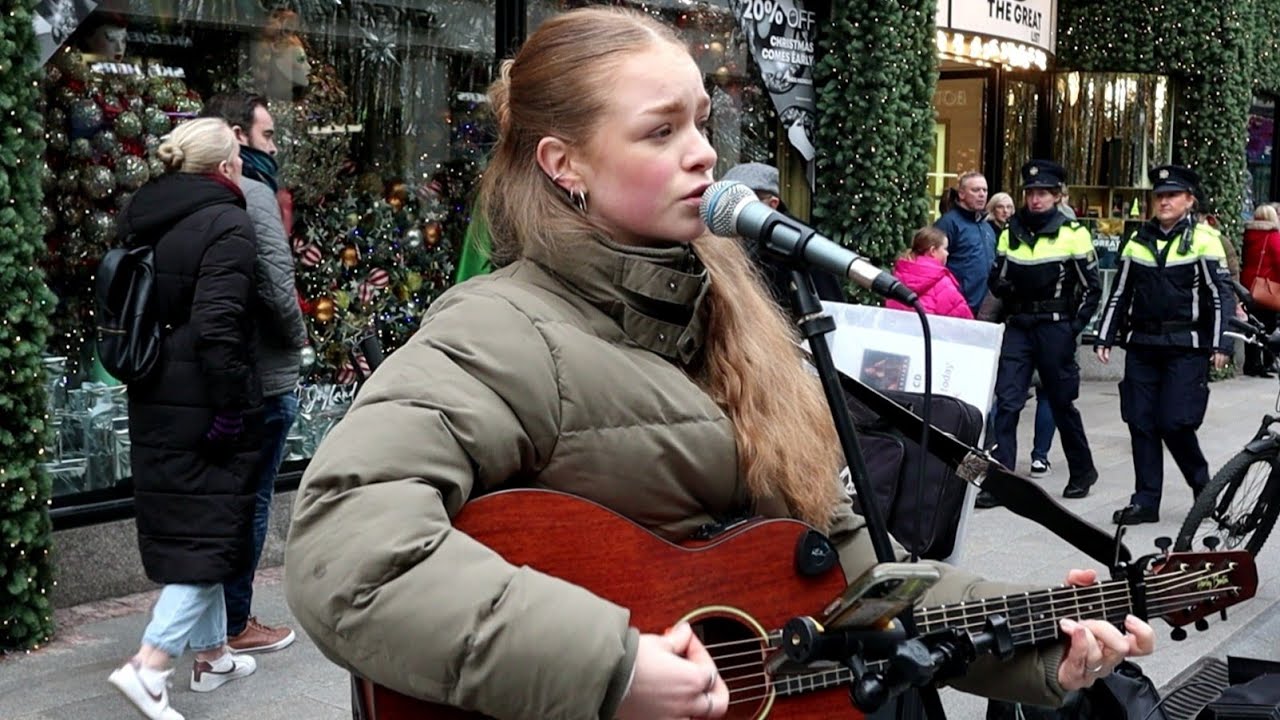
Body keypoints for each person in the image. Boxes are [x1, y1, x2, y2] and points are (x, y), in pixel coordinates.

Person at [283, 8, 1154, 719]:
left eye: (701, 120)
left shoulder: (743, 327)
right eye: (661, 131)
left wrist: (1043, 641)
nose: (703, 151)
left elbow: (858, 581)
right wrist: (611, 666)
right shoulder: (499, 332)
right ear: (565, 165)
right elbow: (349, 551)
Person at [106, 117, 261, 719]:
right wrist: (229, 408)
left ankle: (214, 654)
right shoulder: (228, 222)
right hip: (203, 399)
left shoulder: (144, 213)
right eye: (241, 158)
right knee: (211, 537)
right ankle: (150, 664)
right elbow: (220, 327)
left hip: (154, 391)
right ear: (224, 167)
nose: (244, 167)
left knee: (202, 526)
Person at [201, 91, 306, 654]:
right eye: (267, 136)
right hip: (262, 374)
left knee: (222, 500)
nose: (274, 146)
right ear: (238, 137)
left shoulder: (196, 193)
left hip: (215, 375)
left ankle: (212, 624)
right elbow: (274, 282)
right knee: (252, 499)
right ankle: (236, 623)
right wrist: (297, 340)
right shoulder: (254, 193)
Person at [1095, 165, 1235, 525]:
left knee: (1175, 422)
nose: (1164, 201)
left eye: (1172, 195)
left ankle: (1204, 489)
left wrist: (1221, 343)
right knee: (1141, 422)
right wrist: (1105, 335)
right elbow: (1121, 292)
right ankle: (1145, 501)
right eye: (1159, 196)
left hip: (1185, 345)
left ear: (1189, 200)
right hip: (1142, 343)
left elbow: (1219, 296)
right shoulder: (1137, 240)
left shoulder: (1204, 239)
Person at [980, 160, 1100, 509]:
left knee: (1062, 403)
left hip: (1054, 327)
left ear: (1057, 195)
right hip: (1019, 325)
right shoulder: (1010, 230)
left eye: (1043, 193)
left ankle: (1082, 471)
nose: (1035, 199)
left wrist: (1073, 328)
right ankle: (1002, 483)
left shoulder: (1072, 232)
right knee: (1007, 402)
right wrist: (1001, 286)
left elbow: (1092, 289)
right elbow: (995, 275)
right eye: (1031, 193)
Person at [720, 161, 845, 308]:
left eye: (744, 205)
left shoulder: (803, 244)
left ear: (772, 204)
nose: (734, 213)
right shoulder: (720, 238)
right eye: (728, 205)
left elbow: (833, 307)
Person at [935, 171, 996, 316]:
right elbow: (934, 266)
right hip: (957, 307)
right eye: (975, 190)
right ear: (961, 194)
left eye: (985, 190)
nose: (982, 194)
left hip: (985, 310)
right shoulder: (947, 224)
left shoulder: (987, 227)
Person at [886, 226, 972, 319]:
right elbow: (963, 319)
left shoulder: (900, 274)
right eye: (945, 249)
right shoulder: (942, 282)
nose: (947, 253)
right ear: (933, 251)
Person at [1242, 204, 1280, 377]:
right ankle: (1265, 363)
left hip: (1248, 285)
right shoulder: (1273, 236)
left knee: (1251, 325)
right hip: (1267, 287)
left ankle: (1251, 363)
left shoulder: (1248, 234)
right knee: (1268, 326)